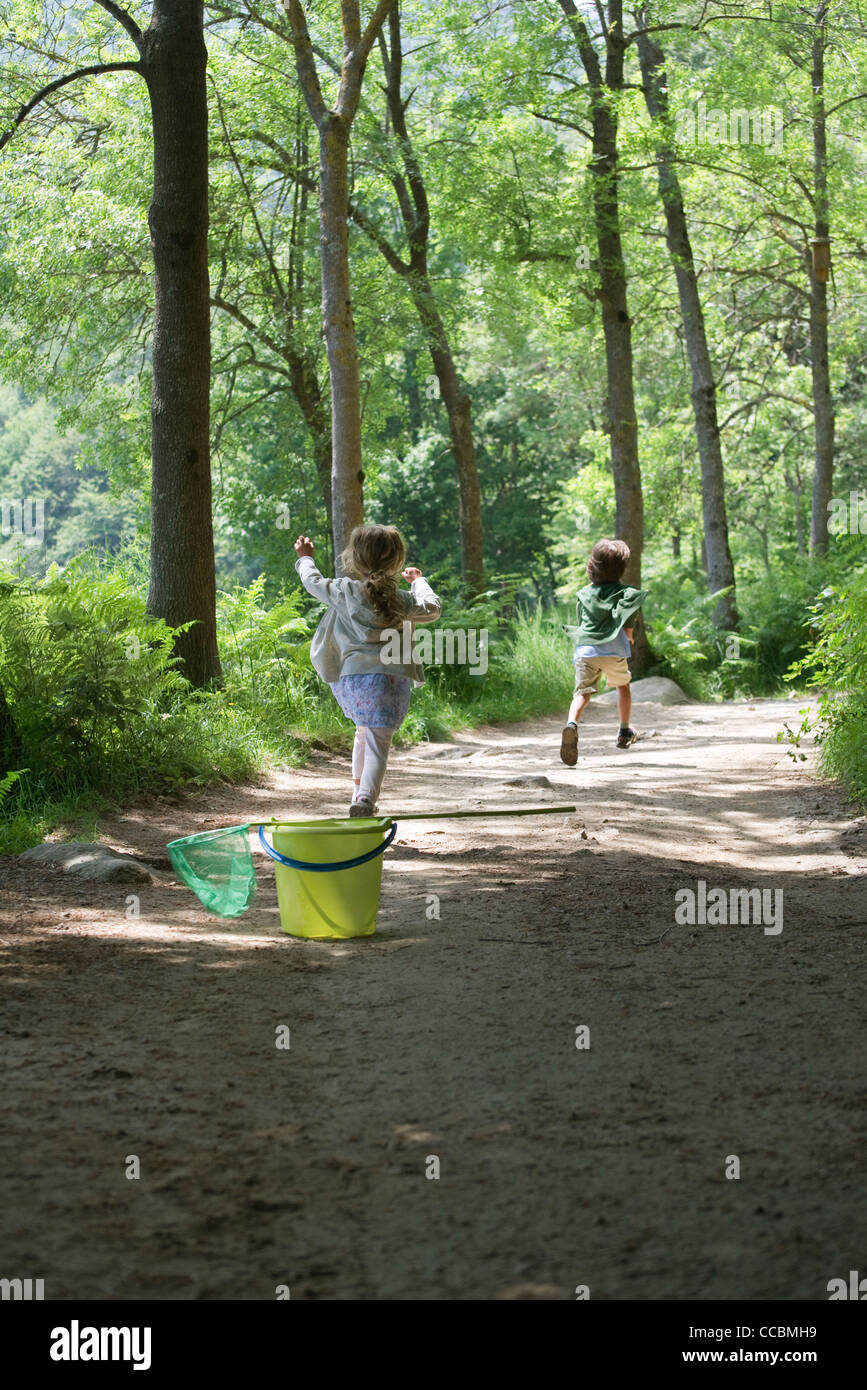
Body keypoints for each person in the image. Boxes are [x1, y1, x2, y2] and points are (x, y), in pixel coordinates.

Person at [294, 525, 441, 816]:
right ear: (396, 561)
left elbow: (312, 582)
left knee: (363, 733)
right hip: (388, 683)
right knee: (377, 742)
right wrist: (418, 582)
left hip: (352, 682)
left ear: (355, 558)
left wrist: (305, 557)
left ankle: (358, 794)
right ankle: (364, 801)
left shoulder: (344, 591)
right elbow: (432, 608)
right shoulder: (401, 599)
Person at [560, 538, 648, 766]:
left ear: (592, 566)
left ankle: (571, 724)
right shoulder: (625, 592)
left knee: (581, 693)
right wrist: (629, 633)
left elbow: (583, 620)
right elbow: (628, 618)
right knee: (623, 686)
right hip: (613, 649)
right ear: (621, 568)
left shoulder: (583, 594)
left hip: (585, 649)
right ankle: (624, 730)